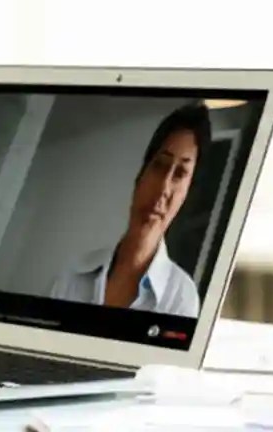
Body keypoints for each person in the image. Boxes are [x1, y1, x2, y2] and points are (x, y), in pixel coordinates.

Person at [47, 103, 211, 318]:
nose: (163, 188)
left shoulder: (180, 298)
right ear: (140, 176)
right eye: (160, 165)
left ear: (186, 196)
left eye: (180, 173)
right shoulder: (73, 276)